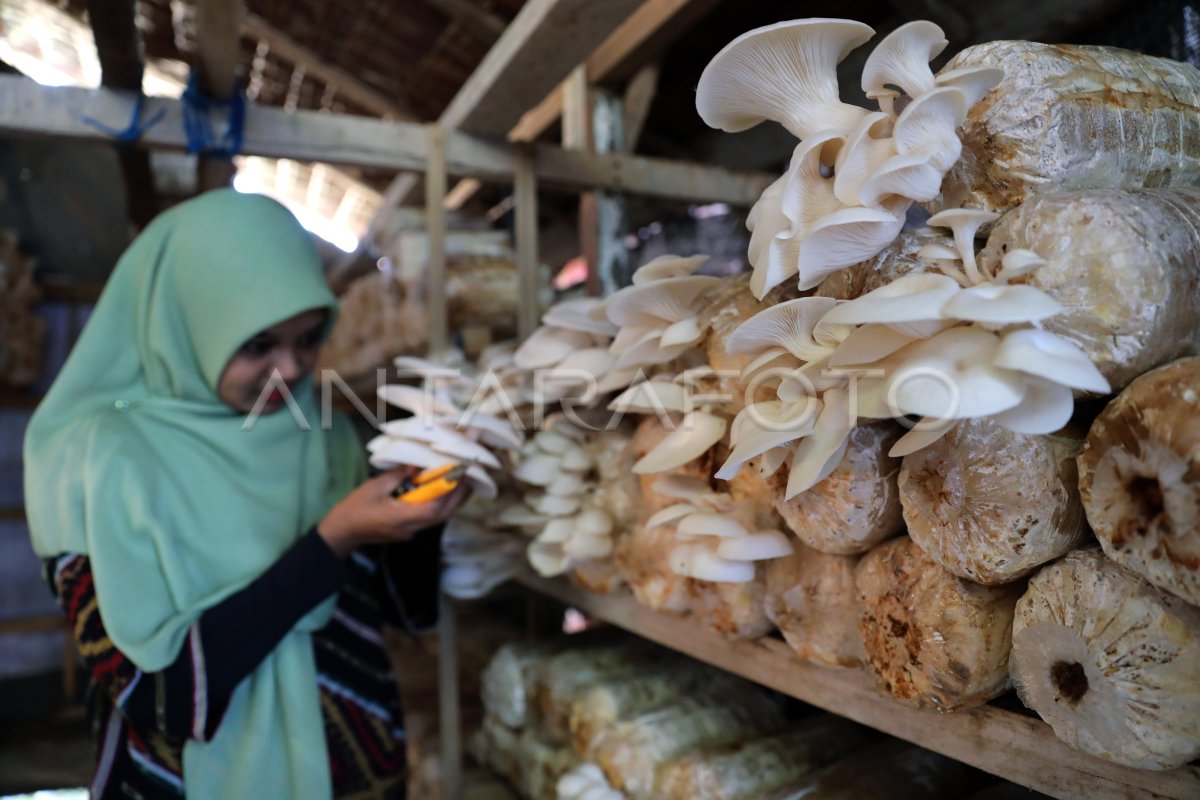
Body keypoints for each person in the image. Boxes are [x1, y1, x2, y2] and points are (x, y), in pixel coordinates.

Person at [23, 189, 468, 799]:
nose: (290, 368)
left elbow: (398, 610)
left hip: (357, 774)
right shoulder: (101, 461)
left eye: (309, 338)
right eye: (258, 345)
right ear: (185, 324)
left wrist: (425, 509)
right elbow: (160, 696)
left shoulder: (324, 435)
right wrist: (332, 539)